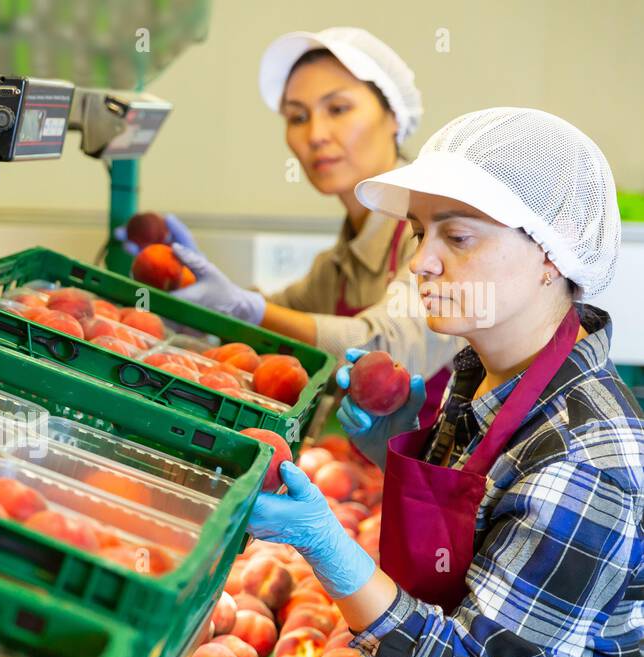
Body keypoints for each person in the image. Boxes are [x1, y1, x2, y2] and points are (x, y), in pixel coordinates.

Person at [248, 107, 644, 657]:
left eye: (456, 238)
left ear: (549, 258)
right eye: (421, 234)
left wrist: (324, 545)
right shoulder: (480, 378)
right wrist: (378, 429)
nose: (421, 263)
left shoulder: (592, 456)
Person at [120, 27, 461, 390]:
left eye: (338, 109)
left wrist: (246, 308)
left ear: (393, 116)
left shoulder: (439, 238)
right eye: (298, 117)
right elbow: (271, 317)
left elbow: (387, 351)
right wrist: (192, 277)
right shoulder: (337, 267)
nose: (315, 135)